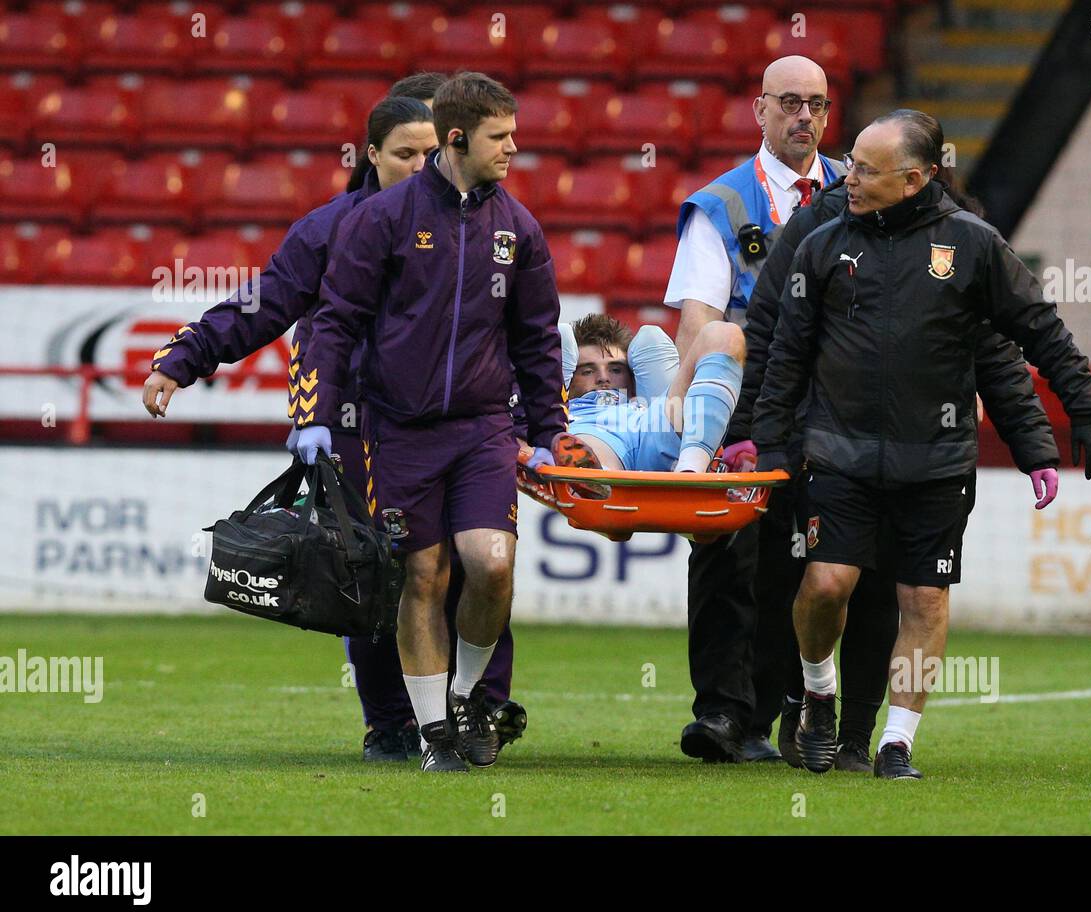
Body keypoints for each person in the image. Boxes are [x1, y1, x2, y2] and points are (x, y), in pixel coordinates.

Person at [140, 75, 525, 763]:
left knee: (474, 566)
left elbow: (504, 331)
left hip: (448, 425)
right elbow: (260, 307)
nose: (419, 165)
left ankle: (480, 706)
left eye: (429, 152)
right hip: (351, 424)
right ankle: (389, 722)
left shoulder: (479, 222)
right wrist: (184, 357)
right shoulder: (331, 228)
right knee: (375, 576)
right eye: (404, 153)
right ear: (370, 155)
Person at [753, 109, 1091, 777]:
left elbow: (1037, 333)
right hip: (839, 455)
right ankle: (817, 689)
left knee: (923, 600)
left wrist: (1084, 414)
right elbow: (785, 359)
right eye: (852, 162)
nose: (847, 177)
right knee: (827, 583)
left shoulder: (974, 247)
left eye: (864, 168)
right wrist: (772, 448)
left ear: (914, 179)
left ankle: (898, 741)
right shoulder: (822, 246)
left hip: (938, 463)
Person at [295, 72, 564, 773]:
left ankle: (469, 699)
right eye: (499, 136)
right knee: (423, 574)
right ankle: (436, 733)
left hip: (481, 429)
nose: (513, 147)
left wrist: (550, 430)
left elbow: (538, 339)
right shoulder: (380, 220)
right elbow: (334, 320)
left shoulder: (519, 228)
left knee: (491, 564)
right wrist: (313, 415)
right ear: (457, 138)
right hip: (400, 430)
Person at [664, 54, 847, 763]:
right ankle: (720, 712)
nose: (805, 116)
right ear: (759, 110)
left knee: (799, 563)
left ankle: (771, 713)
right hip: (739, 401)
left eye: (818, 105)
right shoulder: (725, 205)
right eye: (790, 102)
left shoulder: (854, 191)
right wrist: (691, 410)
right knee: (723, 554)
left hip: (831, 407)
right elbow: (700, 321)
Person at [551, 315, 743, 475]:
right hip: (589, 428)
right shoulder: (561, 416)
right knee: (579, 445)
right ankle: (597, 476)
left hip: (650, 425)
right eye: (587, 371)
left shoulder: (650, 406)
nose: (603, 378)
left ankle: (691, 469)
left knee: (724, 334)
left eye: (616, 370)